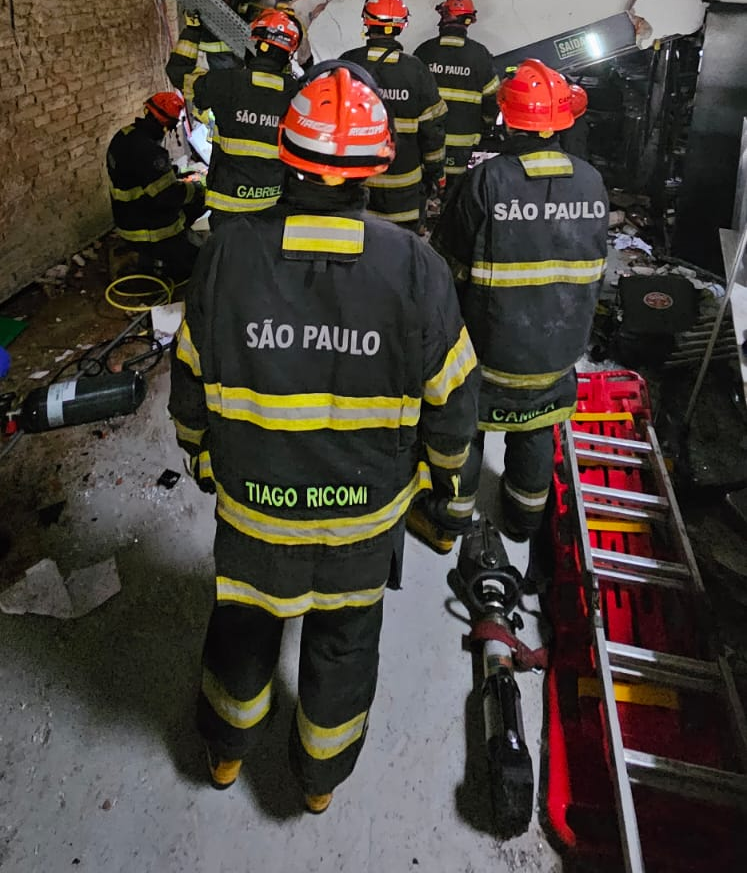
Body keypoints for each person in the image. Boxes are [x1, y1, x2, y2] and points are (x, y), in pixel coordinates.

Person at [168, 63, 479, 810]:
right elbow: (453, 406)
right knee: (343, 643)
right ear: (376, 167)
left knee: (243, 626)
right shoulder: (416, 268)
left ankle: (224, 756)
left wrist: (204, 459)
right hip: (362, 520)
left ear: (285, 155)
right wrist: (450, 500)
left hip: (256, 510)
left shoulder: (228, 255)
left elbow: (189, 388)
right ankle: (316, 786)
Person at [432, 59, 608, 545]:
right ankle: (523, 522)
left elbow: (447, 268)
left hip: (488, 354)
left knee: (465, 431)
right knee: (535, 433)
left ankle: (453, 517)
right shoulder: (592, 182)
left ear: (507, 119)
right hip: (557, 353)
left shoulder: (488, 182)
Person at [342, 0, 447, 229]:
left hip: (356, 186)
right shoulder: (416, 70)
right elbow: (433, 130)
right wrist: (436, 174)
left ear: (366, 21)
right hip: (404, 192)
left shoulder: (348, 63)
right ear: (401, 25)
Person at [191, 8, 302, 223]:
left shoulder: (224, 82)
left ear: (256, 44)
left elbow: (177, 72)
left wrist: (192, 31)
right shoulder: (299, 94)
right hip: (275, 206)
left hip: (227, 205)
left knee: (226, 256)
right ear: (289, 53)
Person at [106, 91, 206, 281]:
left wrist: (173, 173)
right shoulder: (151, 152)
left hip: (126, 220)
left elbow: (137, 175)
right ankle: (155, 262)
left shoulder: (124, 136)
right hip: (149, 231)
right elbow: (168, 196)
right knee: (200, 262)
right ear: (167, 125)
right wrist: (198, 189)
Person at [415, 0, 499, 190]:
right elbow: (492, 100)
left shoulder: (424, 51)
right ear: (469, 20)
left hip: (427, 141)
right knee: (456, 191)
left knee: (429, 186)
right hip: (464, 141)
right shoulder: (480, 55)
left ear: (444, 17)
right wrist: (487, 125)